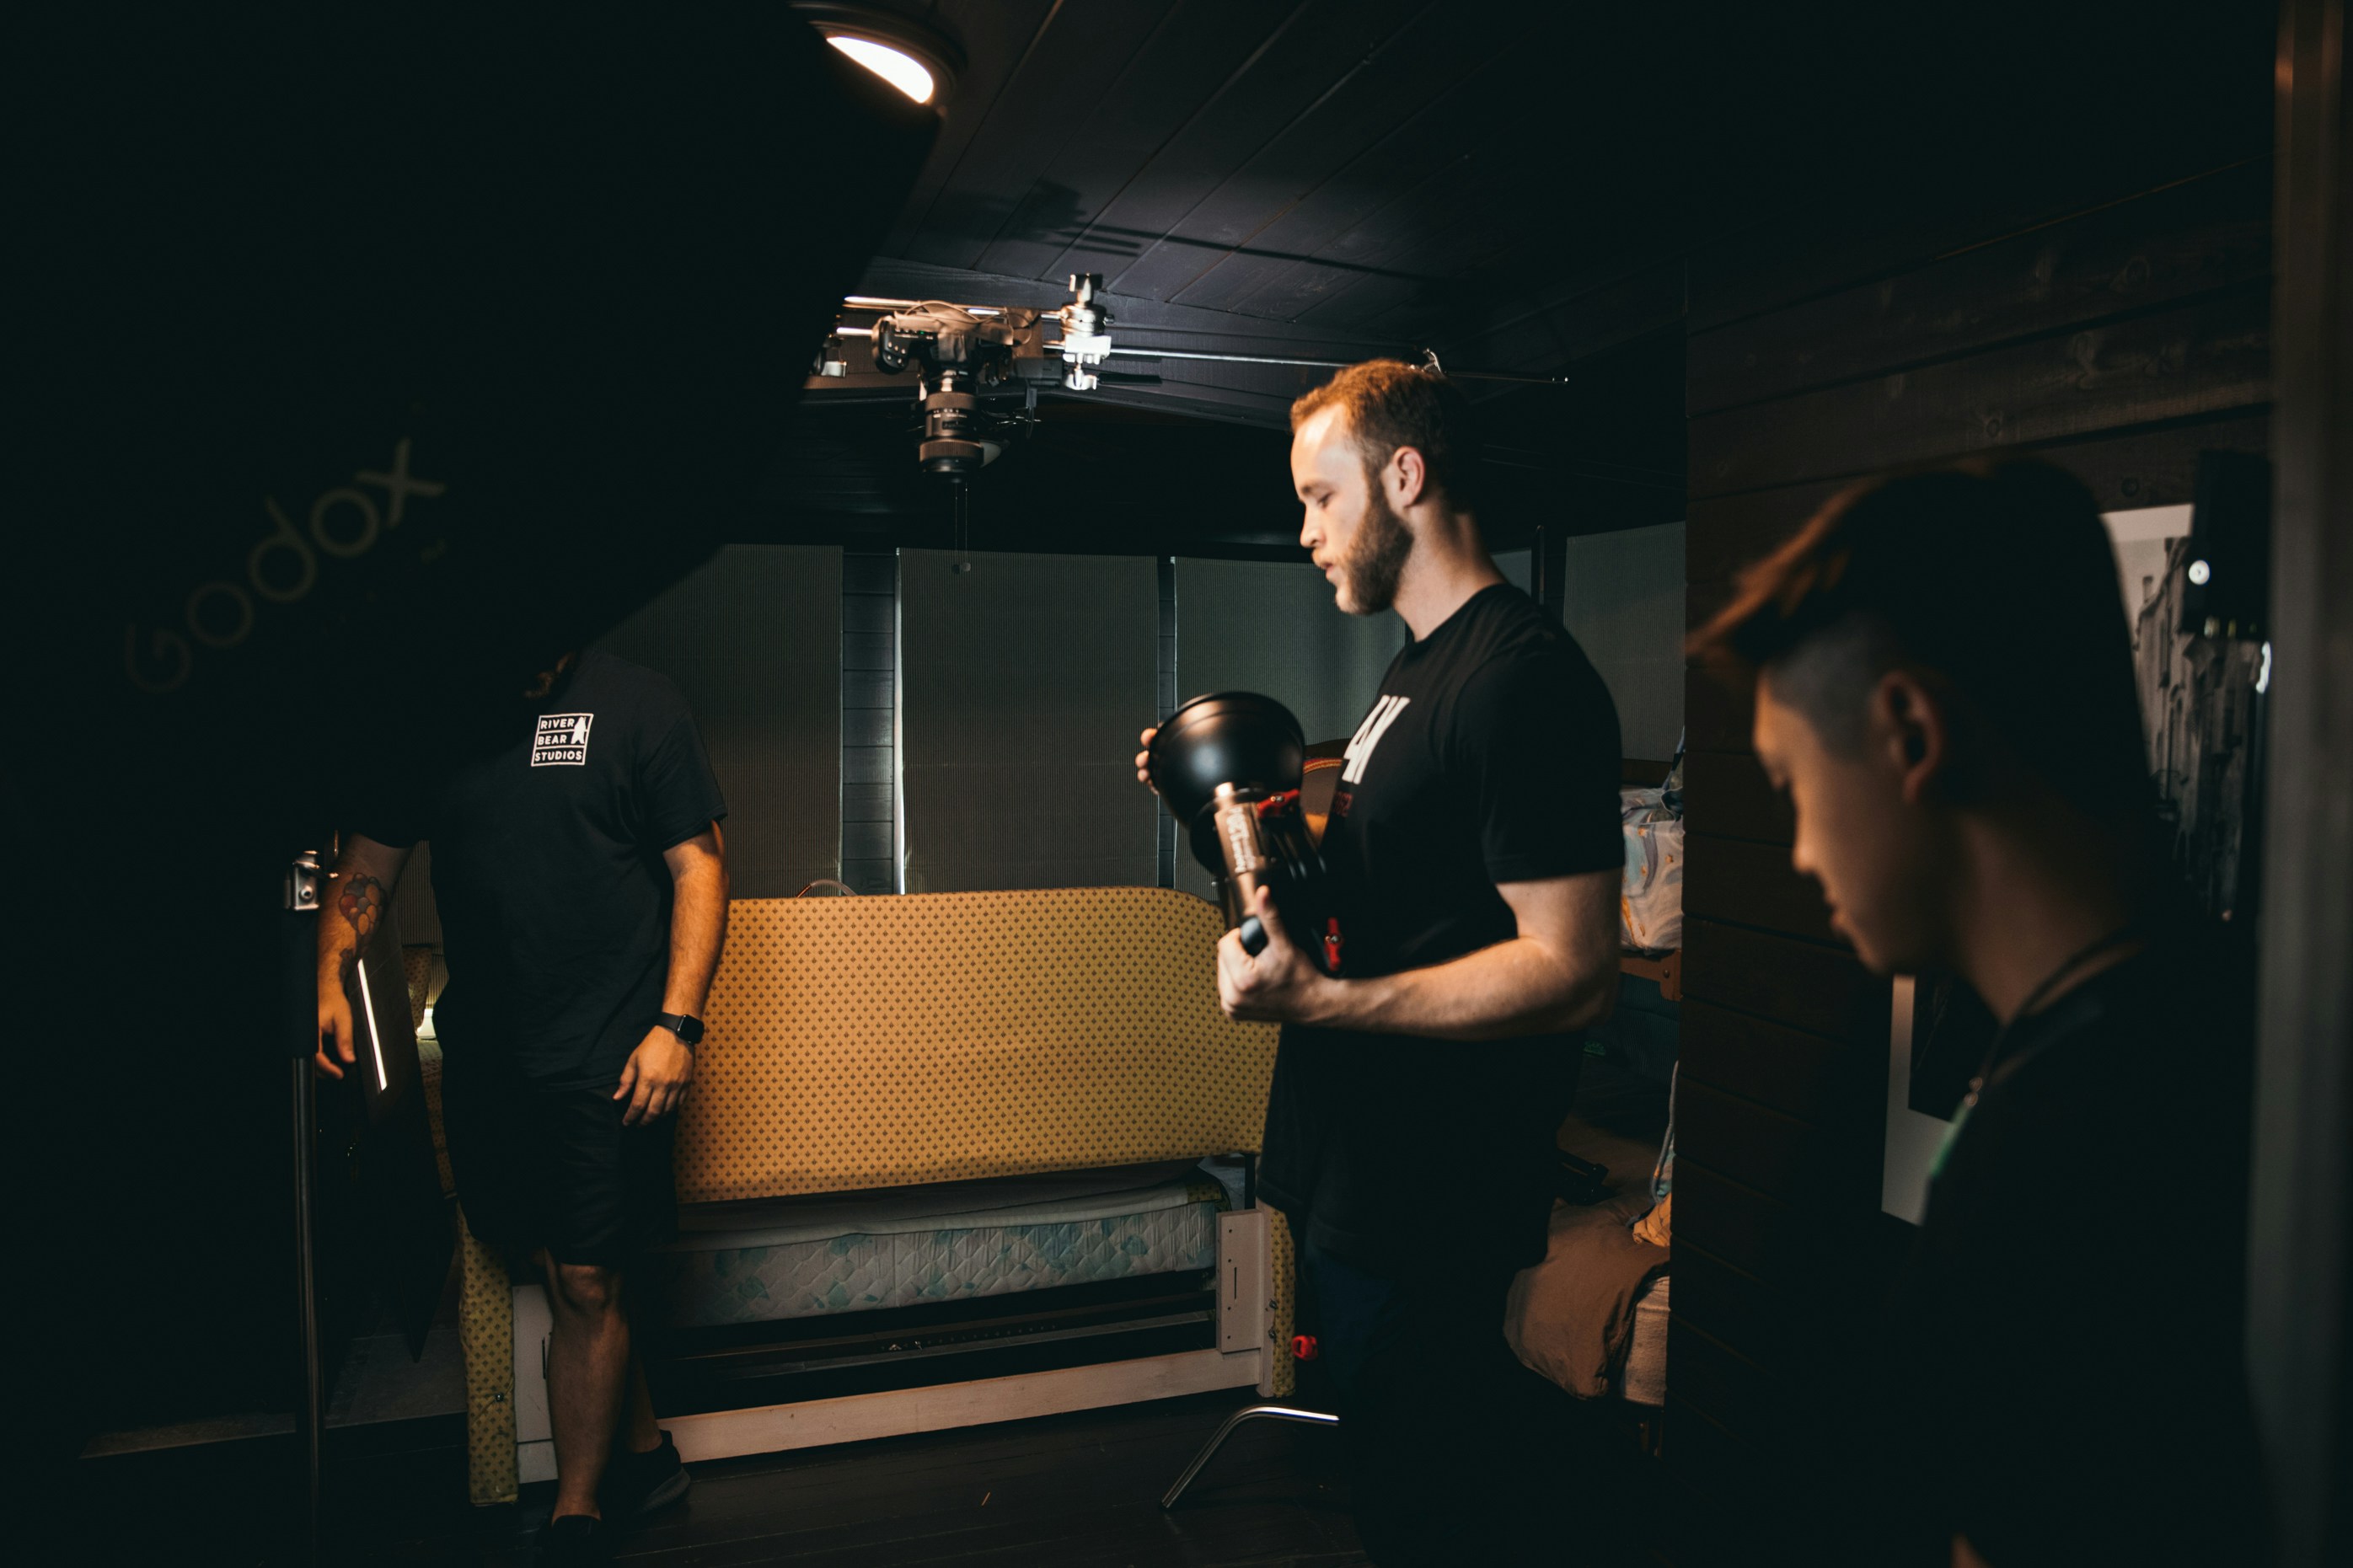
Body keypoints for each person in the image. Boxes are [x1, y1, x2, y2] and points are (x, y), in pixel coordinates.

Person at [1687, 458, 2269, 1565]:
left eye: (1793, 786)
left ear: (1912, 735)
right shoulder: (2191, 1025)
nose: (1801, 851)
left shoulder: (2074, 1156)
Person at [1136, 360, 1625, 1564]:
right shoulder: (1415, 672)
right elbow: (1370, 895)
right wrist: (1217, 812)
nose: (1305, 532)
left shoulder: (1521, 678)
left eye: (1320, 497)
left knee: (1432, 1509)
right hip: (1362, 1169)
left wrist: (1331, 998)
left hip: (1435, 1193)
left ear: (1404, 476)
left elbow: (1571, 967)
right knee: (1394, 1491)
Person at [315, 650, 729, 1567]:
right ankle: (646, 1456)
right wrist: (329, 975)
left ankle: (577, 1513)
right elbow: (368, 865)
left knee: (585, 1277)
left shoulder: (639, 704)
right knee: (550, 1254)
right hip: (490, 1053)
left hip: (611, 1047)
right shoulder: (430, 718)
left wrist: (677, 1025)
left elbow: (699, 866)